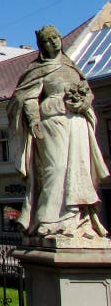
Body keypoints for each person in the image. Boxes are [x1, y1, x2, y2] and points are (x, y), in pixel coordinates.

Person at [8, 25, 110, 238]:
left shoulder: (71, 67)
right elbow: (27, 97)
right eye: (48, 39)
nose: (54, 42)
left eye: (56, 37)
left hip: (77, 123)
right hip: (51, 123)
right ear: (41, 45)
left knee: (78, 169)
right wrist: (34, 119)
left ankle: (76, 218)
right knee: (55, 168)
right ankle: (46, 219)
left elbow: (87, 92)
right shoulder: (37, 69)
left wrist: (85, 101)